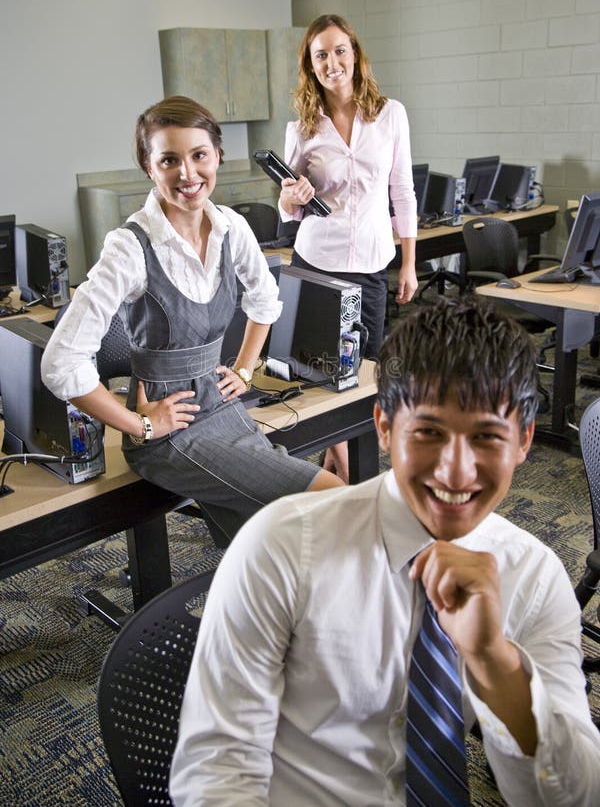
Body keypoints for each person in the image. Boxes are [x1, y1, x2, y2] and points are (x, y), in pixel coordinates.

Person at [170, 295, 600, 806]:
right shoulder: (283, 546)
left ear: (525, 440)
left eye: (487, 437)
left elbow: (578, 796)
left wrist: (495, 662)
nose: (456, 472)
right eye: (428, 433)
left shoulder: (533, 576)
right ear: (384, 428)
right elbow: (214, 776)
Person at [41, 96, 342, 544]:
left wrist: (243, 368)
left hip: (220, 404)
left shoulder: (231, 227)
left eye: (199, 155)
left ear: (217, 155)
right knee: (331, 497)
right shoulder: (129, 247)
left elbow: (265, 299)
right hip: (169, 430)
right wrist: (141, 426)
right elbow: (61, 363)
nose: (188, 173)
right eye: (169, 160)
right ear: (149, 166)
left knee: (270, 539)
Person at [278, 13, 418, 481]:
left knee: (366, 373)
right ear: (311, 66)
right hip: (317, 262)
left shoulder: (390, 114)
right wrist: (289, 197)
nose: (332, 61)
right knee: (320, 374)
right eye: (321, 55)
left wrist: (409, 263)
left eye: (340, 50)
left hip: (373, 262)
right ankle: (337, 456)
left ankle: (353, 461)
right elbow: (288, 200)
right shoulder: (301, 127)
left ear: (355, 54)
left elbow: (403, 191)